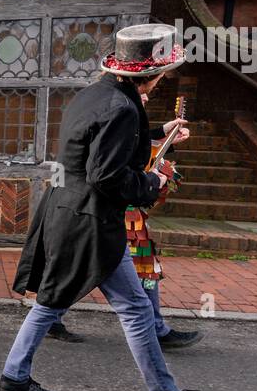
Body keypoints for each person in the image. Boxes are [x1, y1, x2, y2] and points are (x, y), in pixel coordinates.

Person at [0, 23, 235, 391]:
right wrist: (152, 182)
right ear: (154, 75)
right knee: (136, 309)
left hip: (66, 210)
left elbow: (107, 142)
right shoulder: (124, 108)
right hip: (92, 221)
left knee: (53, 301)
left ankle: (15, 375)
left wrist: (161, 132)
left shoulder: (97, 94)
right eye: (164, 73)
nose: (163, 81)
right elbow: (106, 175)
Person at [47, 92, 203, 350]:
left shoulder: (124, 113)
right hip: (112, 207)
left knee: (141, 268)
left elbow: (138, 145)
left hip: (122, 208)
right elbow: (124, 153)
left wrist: (166, 133)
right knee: (125, 268)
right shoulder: (116, 112)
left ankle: (156, 327)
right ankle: (155, 329)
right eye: (142, 93)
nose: (146, 98)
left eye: (146, 94)